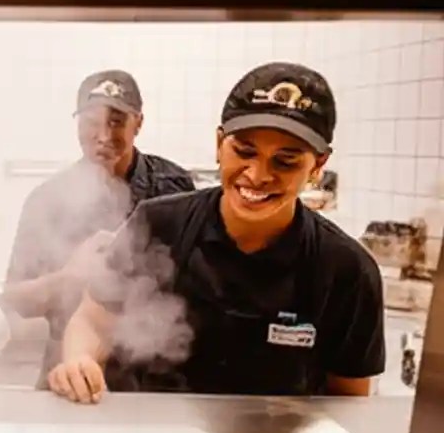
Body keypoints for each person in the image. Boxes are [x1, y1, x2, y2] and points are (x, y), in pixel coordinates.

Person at [48, 62, 385, 403]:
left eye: (286, 161)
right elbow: (92, 320)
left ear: (317, 166)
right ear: (220, 143)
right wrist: (79, 361)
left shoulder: (347, 271)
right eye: (244, 151)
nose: (257, 175)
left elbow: (348, 405)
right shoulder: (158, 223)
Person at [3, 70, 194, 387]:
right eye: (91, 121)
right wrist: (68, 278)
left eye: (116, 121)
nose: (103, 135)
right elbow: (15, 300)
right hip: (69, 371)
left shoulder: (174, 188)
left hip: (155, 378)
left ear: (139, 123)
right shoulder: (47, 200)